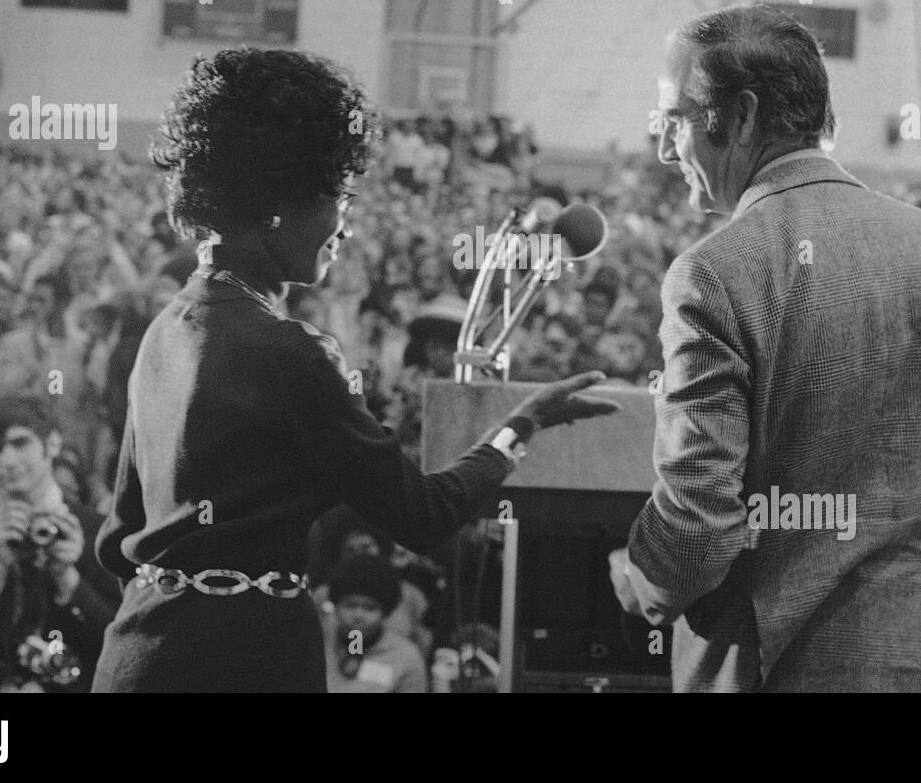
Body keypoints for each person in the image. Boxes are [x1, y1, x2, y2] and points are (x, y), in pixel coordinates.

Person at [92, 47, 617, 692]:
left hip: (137, 654)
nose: (345, 224)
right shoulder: (290, 354)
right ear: (277, 204)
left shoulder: (164, 328)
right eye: (338, 195)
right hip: (247, 663)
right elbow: (422, 514)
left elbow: (118, 540)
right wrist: (519, 428)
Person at [608, 4, 921, 692]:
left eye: (675, 119)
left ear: (740, 117)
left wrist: (640, 577)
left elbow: (699, 525)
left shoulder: (716, 273)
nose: (664, 148)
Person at [0, 396, 118, 692]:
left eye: (20, 443)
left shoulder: (97, 530)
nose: (8, 461)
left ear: (52, 444)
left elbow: (117, 648)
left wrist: (69, 578)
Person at [323, 555, 427, 693]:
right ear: (336, 605)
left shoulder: (405, 657)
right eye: (350, 605)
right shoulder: (318, 642)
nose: (358, 616)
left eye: (369, 608)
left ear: (385, 612)